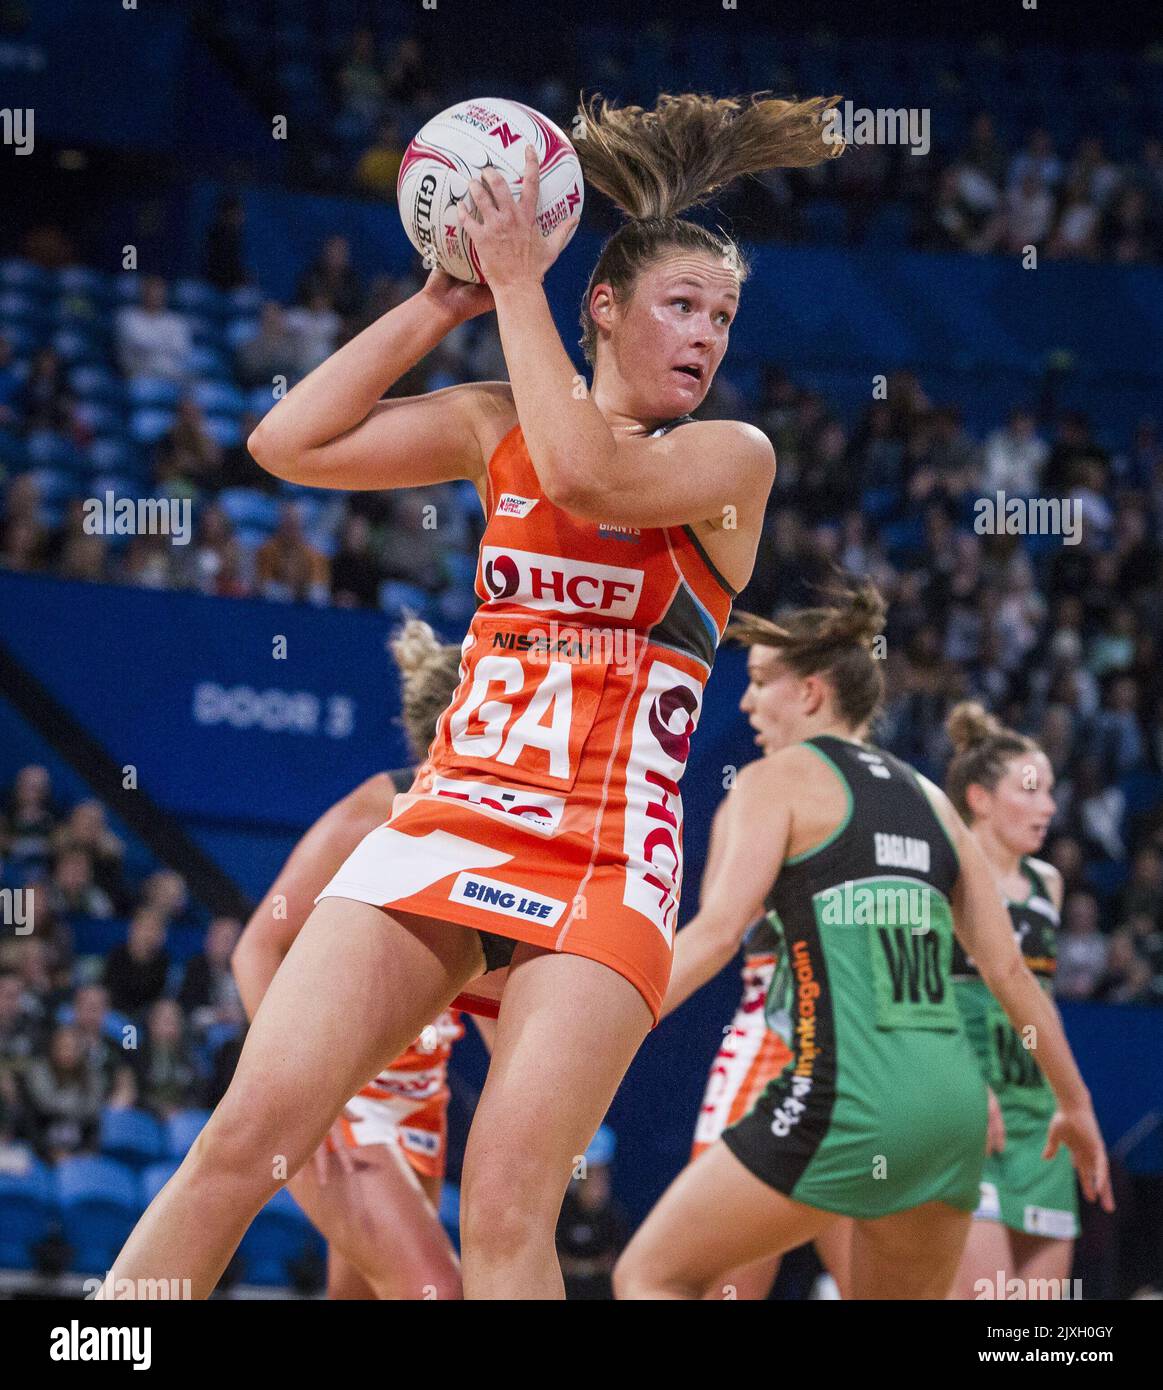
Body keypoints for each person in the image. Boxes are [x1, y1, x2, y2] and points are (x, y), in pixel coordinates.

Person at [100, 89, 842, 1301]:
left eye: (722, 315)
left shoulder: (728, 462)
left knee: (502, 1214)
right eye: (680, 305)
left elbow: (584, 476)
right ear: (601, 306)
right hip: (450, 820)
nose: (706, 336)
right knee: (245, 1137)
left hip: (602, 862)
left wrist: (508, 291)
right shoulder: (491, 425)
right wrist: (439, 298)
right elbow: (285, 444)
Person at [614, 584, 1112, 1300]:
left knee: (651, 1275)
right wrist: (1077, 1105)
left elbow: (717, 933)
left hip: (850, 1097)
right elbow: (1009, 972)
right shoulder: (932, 799)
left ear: (811, 693)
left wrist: (606, 1024)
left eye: (759, 685)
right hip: (952, 1114)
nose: (746, 705)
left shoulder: (773, 780)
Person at [231, 619, 473, 1300]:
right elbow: (258, 944)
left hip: (422, 1098)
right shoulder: (373, 812)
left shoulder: (480, 822)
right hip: (344, 1096)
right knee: (434, 1290)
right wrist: (296, 1087)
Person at [943, 703, 1079, 1299]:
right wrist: (963, 1088)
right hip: (970, 1104)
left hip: (1039, 1116)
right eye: (1031, 789)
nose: (1048, 807)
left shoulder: (1048, 883)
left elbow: (1042, 1006)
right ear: (979, 797)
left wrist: (1072, 1103)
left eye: (1051, 791)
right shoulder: (942, 871)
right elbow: (917, 996)